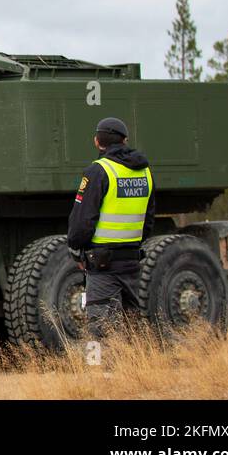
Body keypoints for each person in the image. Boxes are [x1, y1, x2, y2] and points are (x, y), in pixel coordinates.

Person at [67, 116, 155, 338]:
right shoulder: (145, 172)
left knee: (99, 327)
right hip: (132, 260)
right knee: (133, 324)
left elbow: (83, 220)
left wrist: (76, 248)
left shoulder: (98, 171)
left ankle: (100, 372)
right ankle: (135, 369)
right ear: (125, 140)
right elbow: (149, 219)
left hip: (102, 264)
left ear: (97, 141)